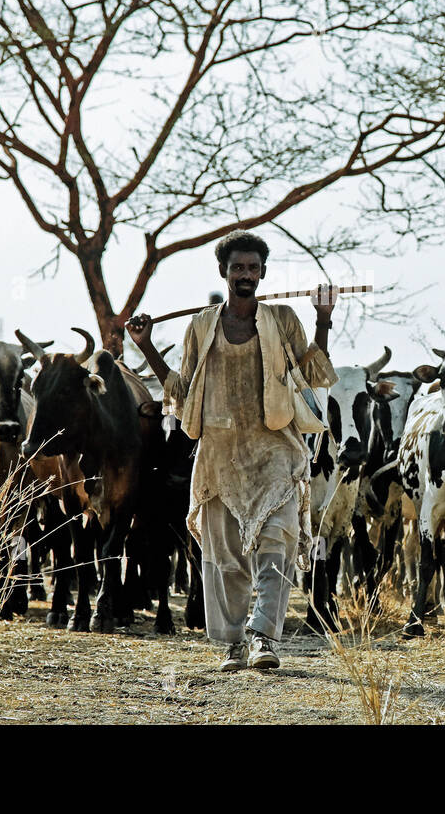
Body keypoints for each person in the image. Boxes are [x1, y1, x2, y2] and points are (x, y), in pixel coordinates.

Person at [125, 231, 337, 671]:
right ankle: (233, 644)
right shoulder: (201, 326)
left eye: (253, 268)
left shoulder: (282, 320)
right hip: (219, 456)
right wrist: (144, 346)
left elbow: (314, 370)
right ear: (224, 272)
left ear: (263, 273)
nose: (245, 275)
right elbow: (181, 392)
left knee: (276, 541)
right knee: (224, 558)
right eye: (237, 268)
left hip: (275, 449)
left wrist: (323, 318)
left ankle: (263, 638)